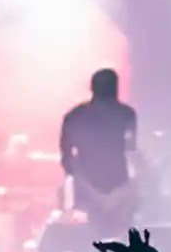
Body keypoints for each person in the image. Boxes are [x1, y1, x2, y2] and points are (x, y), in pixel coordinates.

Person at [59, 68, 139, 237]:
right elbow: (134, 154)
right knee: (118, 245)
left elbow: (68, 161)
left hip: (98, 193)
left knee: (92, 243)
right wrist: (119, 193)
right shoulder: (126, 114)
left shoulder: (74, 116)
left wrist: (94, 193)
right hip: (113, 192)